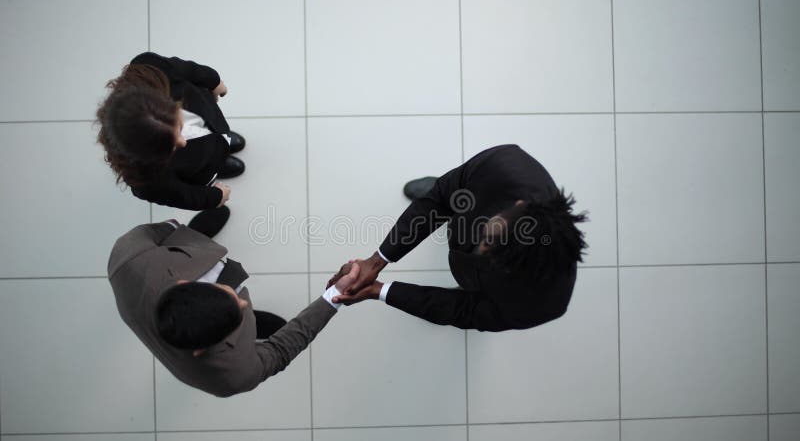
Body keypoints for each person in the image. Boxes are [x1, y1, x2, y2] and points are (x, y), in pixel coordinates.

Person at [328, 144, 587, 332]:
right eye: (491, 231)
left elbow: (466, 311)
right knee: (447, 194)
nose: (480, 243)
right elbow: (439, 198)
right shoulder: (504, 166)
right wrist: (377, 261)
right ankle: (458, 191)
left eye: (488, 247)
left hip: (484, 286)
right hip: (472, 192)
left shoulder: (543, 305)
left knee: (471, 297)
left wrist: (380, 291)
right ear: (519, 204)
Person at [108, 220, 356, 397]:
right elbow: (279, 351)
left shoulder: (130, 256)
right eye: (239, 309)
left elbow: (164, 230)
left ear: (184, 284)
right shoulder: (233, 376)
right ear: (202, 349)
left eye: (230, 295)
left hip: (182, 257)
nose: (244, 300)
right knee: (256, 322)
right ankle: (243, 322)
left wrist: (181, 233)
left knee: (187, 238)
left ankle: (196, 235)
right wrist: (334, 295)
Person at [97, 52, 247, 238]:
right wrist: (215, 197)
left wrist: (213, 81)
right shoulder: (145, 180)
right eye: (170, 147)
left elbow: (189, 70)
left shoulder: (149, 67)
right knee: (208, 162)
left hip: (208, 119)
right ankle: (217, 165)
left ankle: (222, 146)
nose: (183, 141)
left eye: (178, 127)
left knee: (218, 139)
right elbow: (184, 195)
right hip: (198, 168)